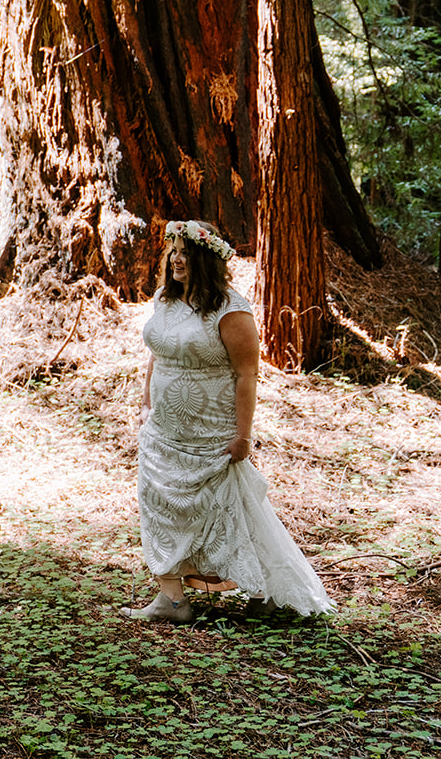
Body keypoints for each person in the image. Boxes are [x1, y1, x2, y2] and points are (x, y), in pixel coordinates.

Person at [123, 220, 333, 623]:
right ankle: (172, 599)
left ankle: (265, 589)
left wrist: (243, 436)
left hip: (210, 429)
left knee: (225, 510)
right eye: (173, 250)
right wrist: (146, 403)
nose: (177, 258)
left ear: (206, 258)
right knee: (157, 503)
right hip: (164, 428)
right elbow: (157, 353)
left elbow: (246, 375)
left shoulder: (231, 309)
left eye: (186, 251)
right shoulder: (164, 300)